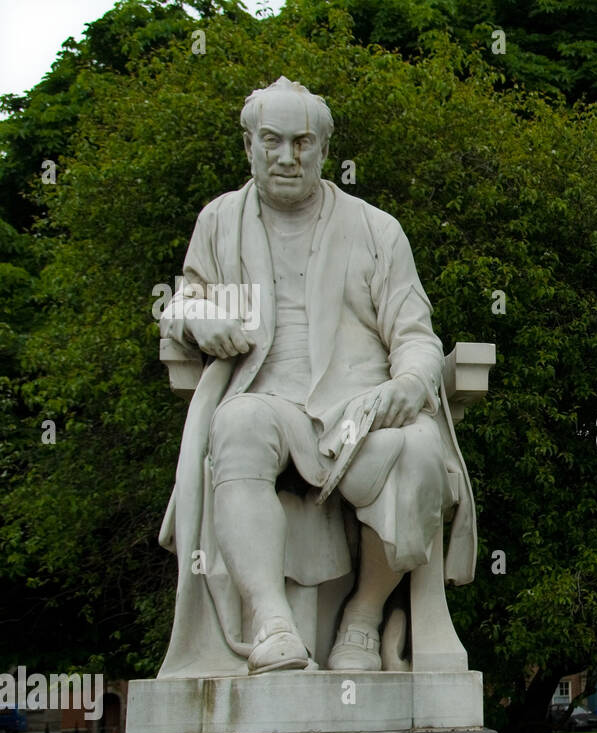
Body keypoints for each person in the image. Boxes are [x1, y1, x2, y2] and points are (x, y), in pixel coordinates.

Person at [156, 77, 476, 677]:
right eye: (271, 140)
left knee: (417, 453)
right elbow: (181, 301)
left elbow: (414, 334)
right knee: (237, 427)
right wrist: (201, 317)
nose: (286, 157)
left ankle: (364, 615)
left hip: (360, 405)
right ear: (248, 144)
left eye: (302, 142)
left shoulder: (376, 229)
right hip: (266, 396)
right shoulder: (220, 220)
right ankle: (272, 624)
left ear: (324, 150)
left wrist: (409, 383)